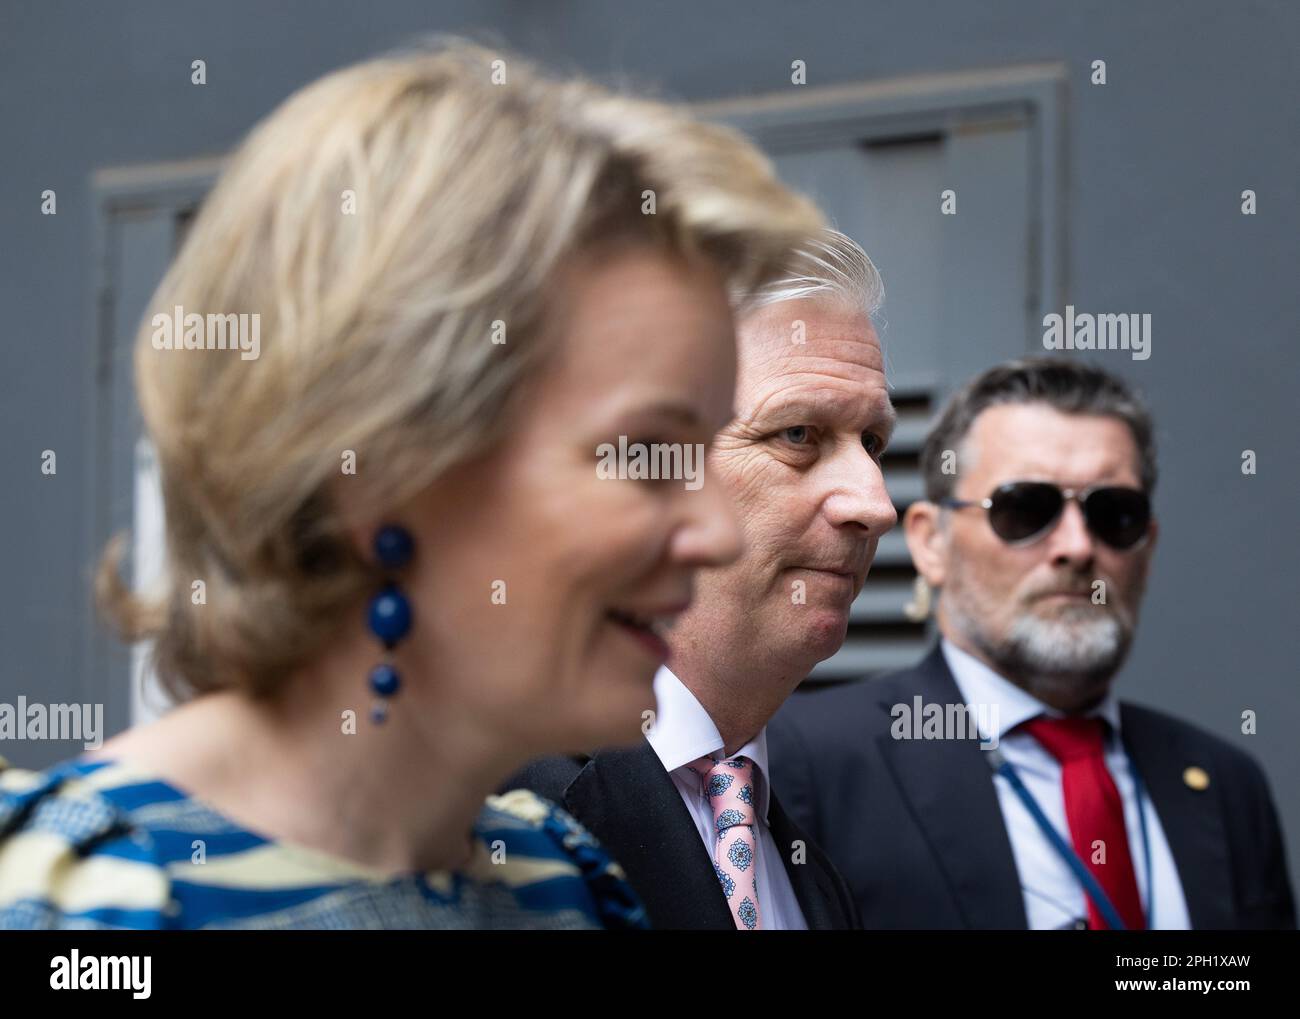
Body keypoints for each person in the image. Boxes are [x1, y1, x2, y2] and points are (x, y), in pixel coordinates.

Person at [0, 40, 824, 929]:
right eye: (644, 452)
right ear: (379, 464)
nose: (716, 531)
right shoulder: (76, 902)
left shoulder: (562, 880)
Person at [770, 357, 1297, 929]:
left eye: (1113, 514)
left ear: (1147, 546)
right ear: (930, 543)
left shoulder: (1224, 784)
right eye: (1026, 509)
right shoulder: (801, 763)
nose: (1076, 547)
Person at [507, 229, 896, 929]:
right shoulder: (488, 816)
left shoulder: (807, 871)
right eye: (798, 434)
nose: (875, 503)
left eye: (872, 442)